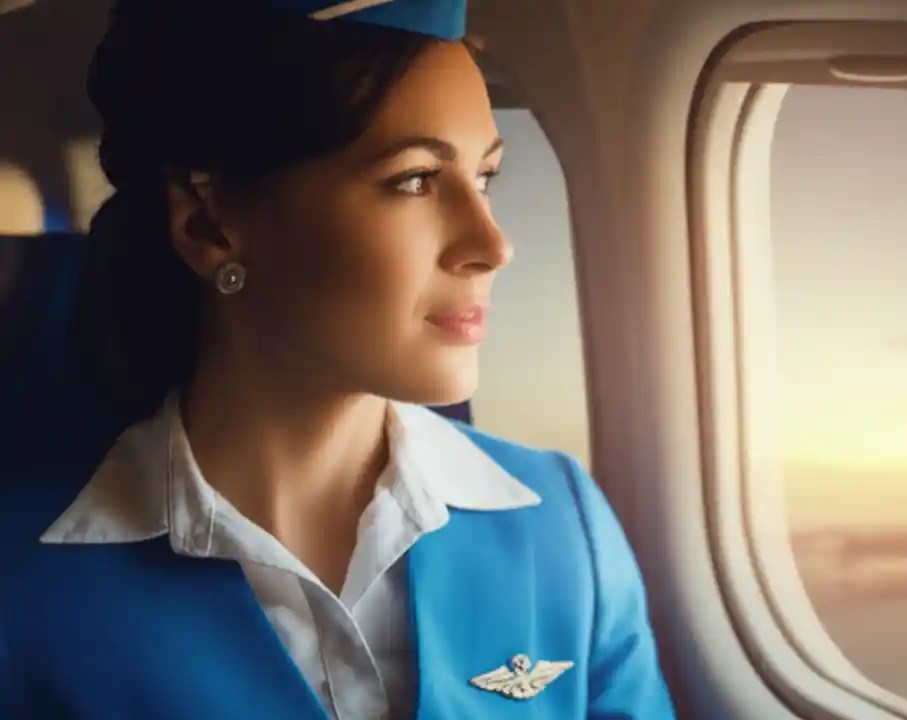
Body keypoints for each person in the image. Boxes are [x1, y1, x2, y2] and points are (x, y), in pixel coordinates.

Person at [0, 1, 676, 718]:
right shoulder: (20, 588)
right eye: (415, 180)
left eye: (484, 179)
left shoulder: (562, 522)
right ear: (210, 224)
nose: (493, 244)